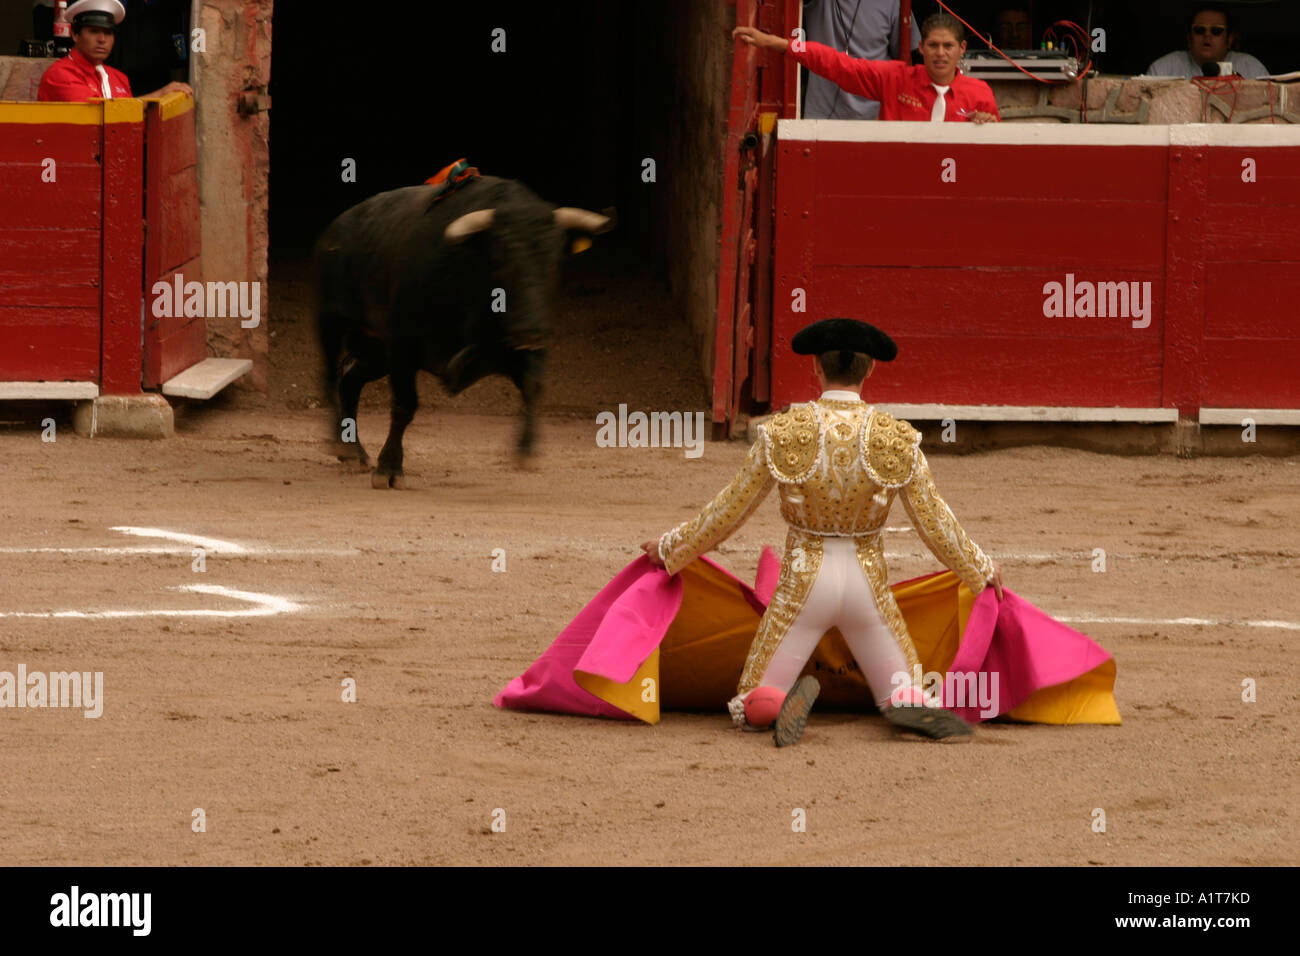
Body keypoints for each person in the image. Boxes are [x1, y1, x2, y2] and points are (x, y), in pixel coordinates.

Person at [641, 318, 1005, 746]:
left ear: (815, 367)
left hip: (802, 582)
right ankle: (901, 697)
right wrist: (980, 569)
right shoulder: (895, 438)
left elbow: (729, 509)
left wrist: (670, 549)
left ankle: (774, 703)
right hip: (866, 584)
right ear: (870, 370)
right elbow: (934, 521)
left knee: (754, 698)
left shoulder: (784, 432)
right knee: (903, 689)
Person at [735, 12, 1000, 123]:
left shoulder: (980, 93)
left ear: (962, 49)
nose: (940, 53)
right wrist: (777, 43)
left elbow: (997, 155)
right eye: (933, 45)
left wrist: (988, 126)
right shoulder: (895, 78)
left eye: (948, 46)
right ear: (921, 47)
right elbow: (837, 64)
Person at [37, 0, 194, 102]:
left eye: (108, 33)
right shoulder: (60, 74)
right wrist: (158, 96)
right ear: (75, 35)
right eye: (93, 31)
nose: (102, 39)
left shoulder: (119, 78)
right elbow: (99, 114)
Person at [801, 0, 922, 120]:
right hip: (822, 117)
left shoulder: (893, 3)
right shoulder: (819, 3)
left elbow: (906, 61)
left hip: (877, 117)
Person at [1146, 7, 1269, 78]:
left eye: (1216, 31)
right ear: (1189, 38)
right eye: (1199, 30)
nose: (1207, 35)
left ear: (1229, 40)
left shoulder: (1251, 68)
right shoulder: (1163, 69)